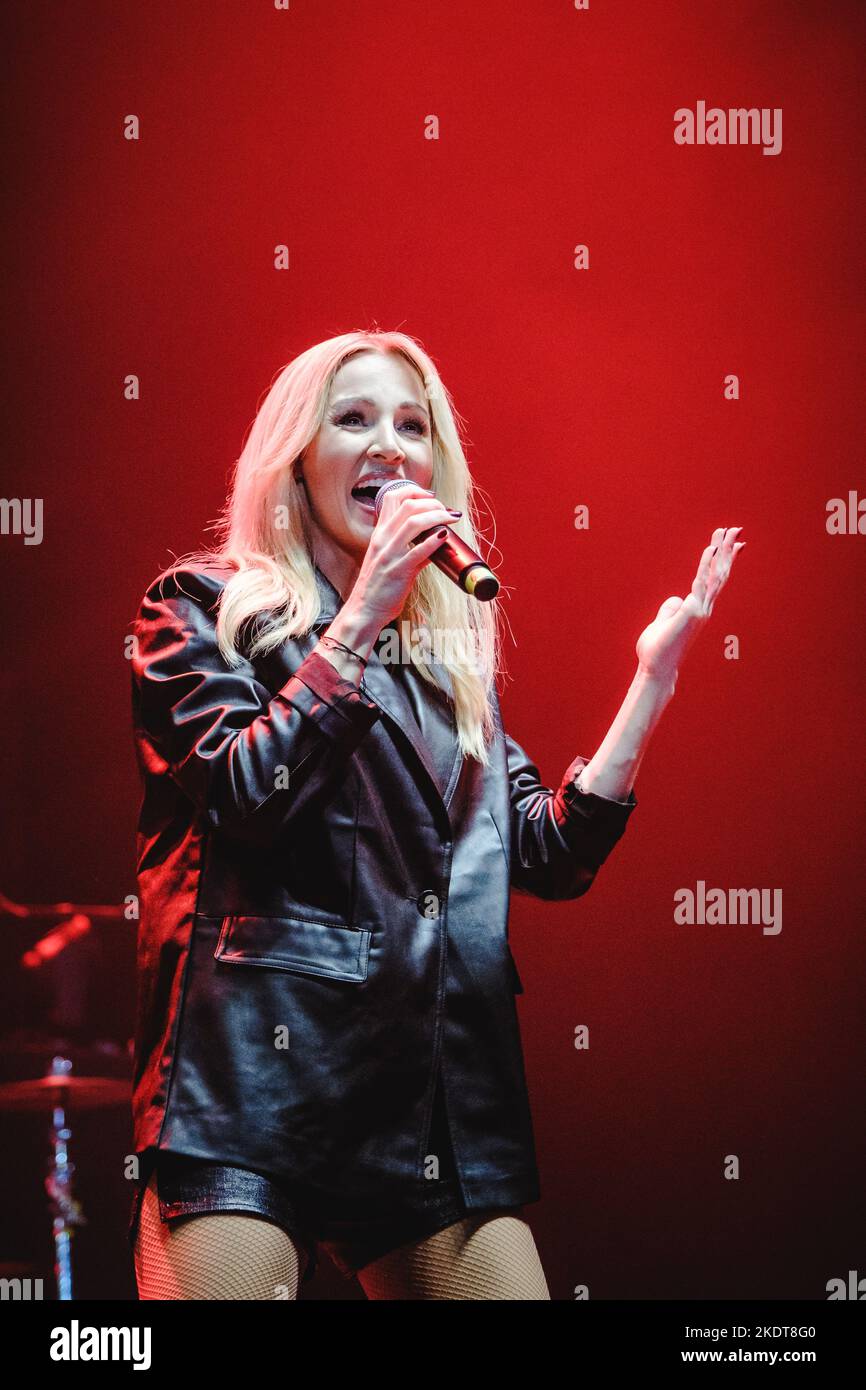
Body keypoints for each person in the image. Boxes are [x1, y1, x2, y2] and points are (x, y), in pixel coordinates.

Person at [127, 329, 745, 1300]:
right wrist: (362, 613)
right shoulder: (202, 614)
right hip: (254, 1090)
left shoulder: (442, 669)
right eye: (354, 418)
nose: (390, 446)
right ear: (294, 455)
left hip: (423, 1104)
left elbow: (542, 853)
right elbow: (249, 794)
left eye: (412, 425)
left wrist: (649, 683)